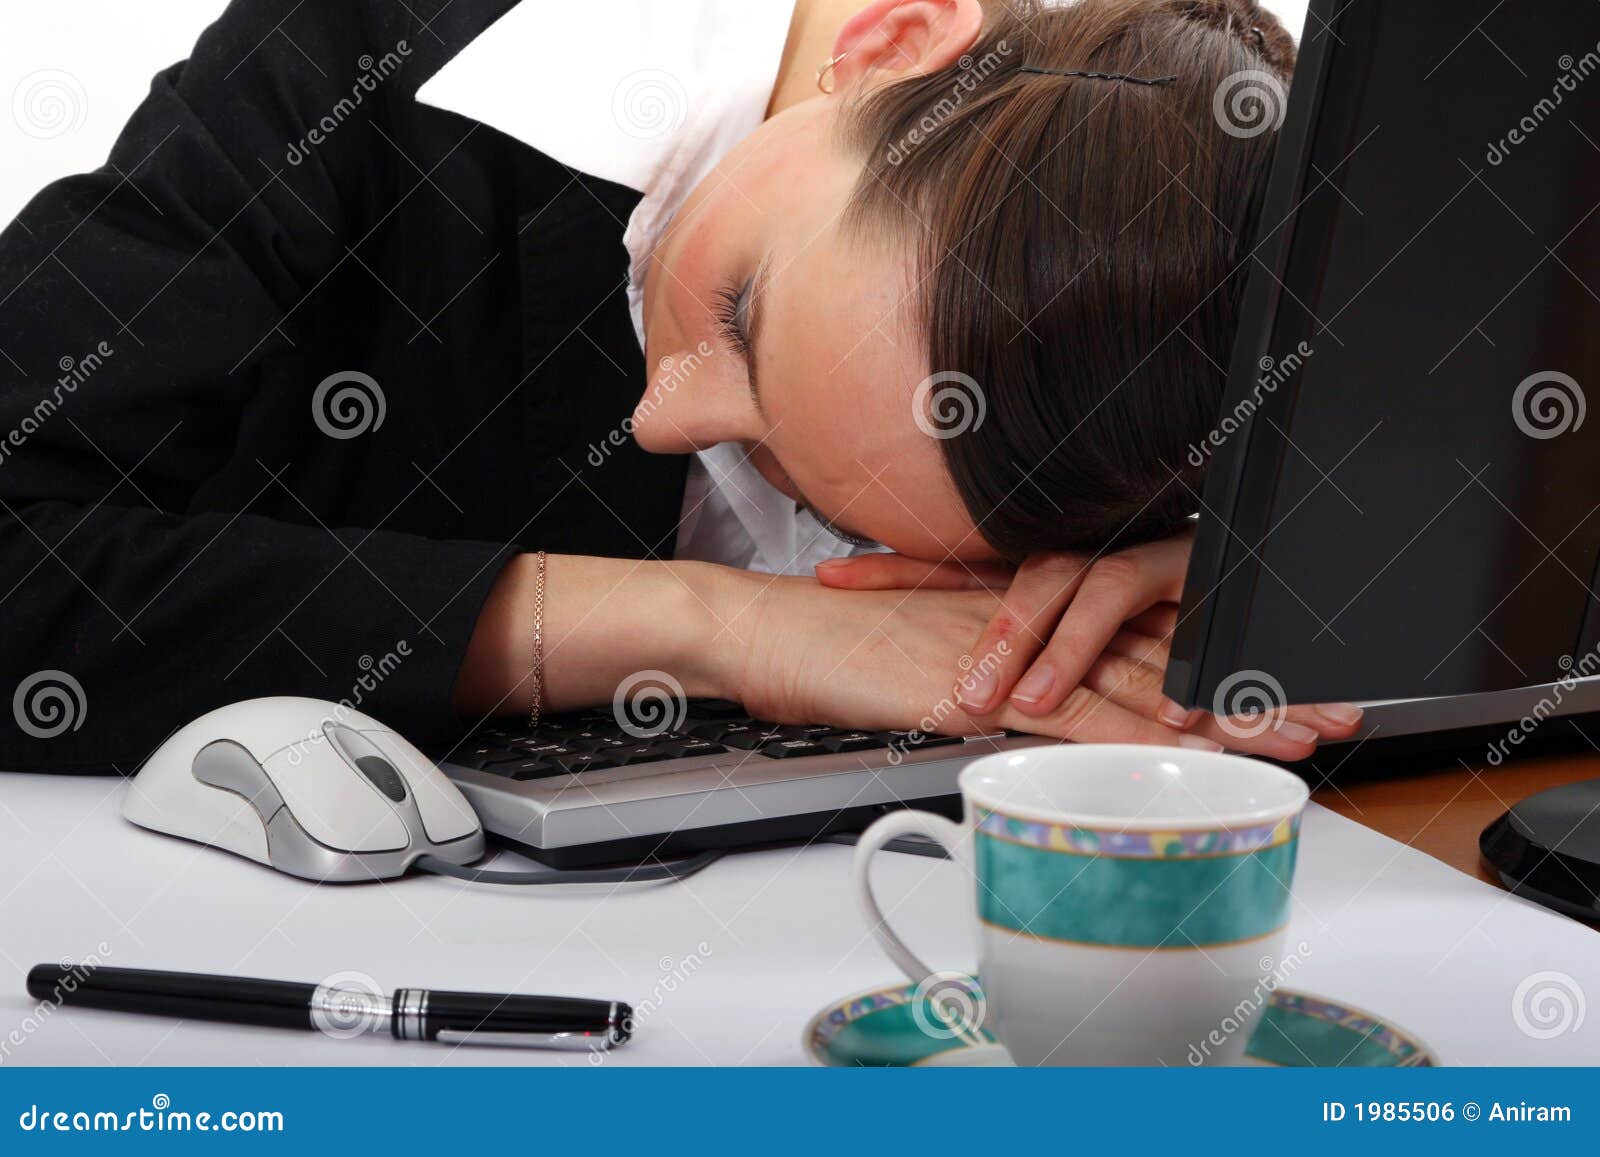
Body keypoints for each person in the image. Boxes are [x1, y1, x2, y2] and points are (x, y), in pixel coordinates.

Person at [0, 0, 1358, 772]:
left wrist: (1253, 540)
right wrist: (724, 624)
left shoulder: (1174, 336)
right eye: (741, 314)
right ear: (890, 42)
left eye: (807, 482)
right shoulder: (364, 61)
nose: (662, 422)